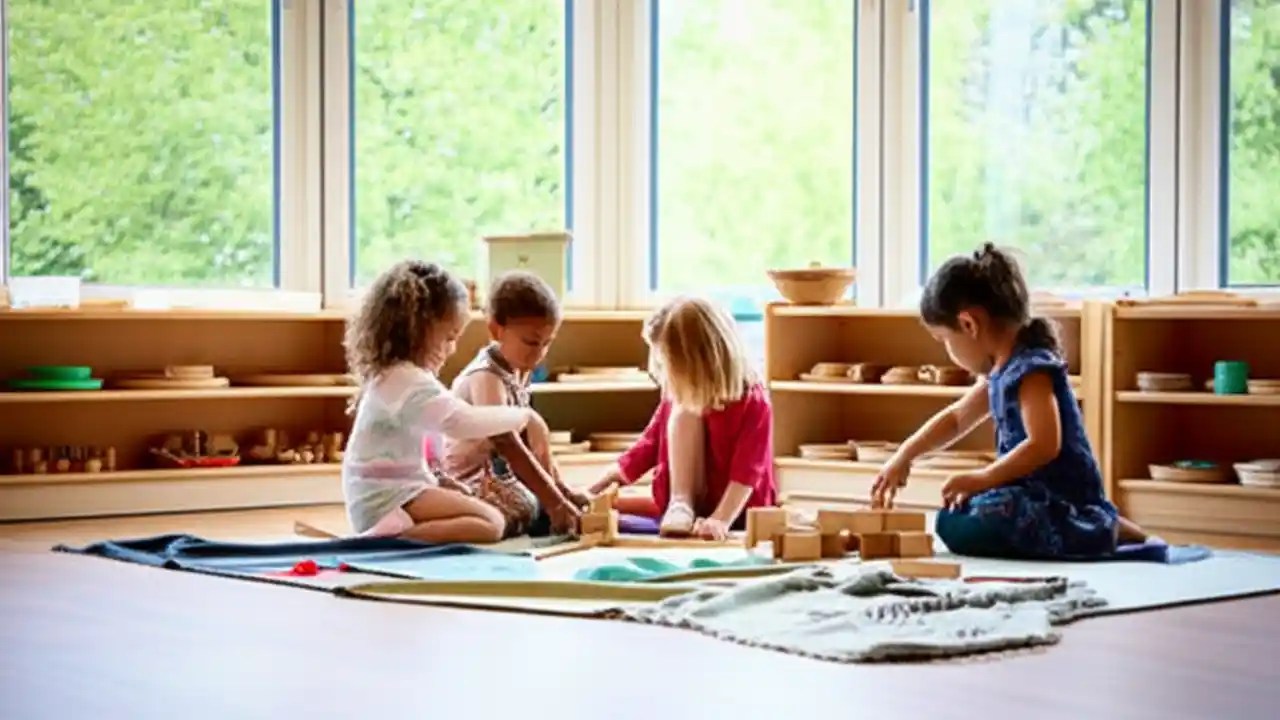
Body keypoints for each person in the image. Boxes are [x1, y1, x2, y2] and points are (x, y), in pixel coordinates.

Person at [870, 242, 1146, 559]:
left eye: (945, 340)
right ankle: (1100, 526)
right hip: (1027, 495)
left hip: (1057, 500)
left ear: (969, 324)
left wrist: (983, 478)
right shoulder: (1000, 372)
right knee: (953, 517)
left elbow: (1044, 444)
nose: (947, 349)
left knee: (979, 520)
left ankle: (1097, 527)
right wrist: (905, 455)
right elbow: (957, 418)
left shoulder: (1031, 370)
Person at [341, 260, 580, 543]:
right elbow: (460, 422)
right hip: (384, 497)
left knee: (489, 514)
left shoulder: (399, 377)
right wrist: (523, 416)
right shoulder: (405, 379)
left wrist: (441, 482)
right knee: (490, 523)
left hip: (394, 491)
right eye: (449, 337)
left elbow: (418, 454)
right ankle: (387, 538)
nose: (452, 348)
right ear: (417, 329)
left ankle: (396, 531)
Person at [588, 296, 777, 540]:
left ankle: (685, 507)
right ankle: (681, 504)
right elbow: (646, 448)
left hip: (737, 515)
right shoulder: (681, 393)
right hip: (678, 512)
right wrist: (594, 489)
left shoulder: (753, 404)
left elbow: (747, 473)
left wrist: (720, 520)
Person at [439, 271, 589, 536]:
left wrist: (560, 490)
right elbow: (507, 442)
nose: (539, 353)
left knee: (535, 426)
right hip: (469, 483)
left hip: (502, 479)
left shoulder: (519, 369)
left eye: (547, 343)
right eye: (530, 342)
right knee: (528, 510)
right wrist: (555, 503)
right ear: (496, 329)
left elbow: (532, 439)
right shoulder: (486, 376)